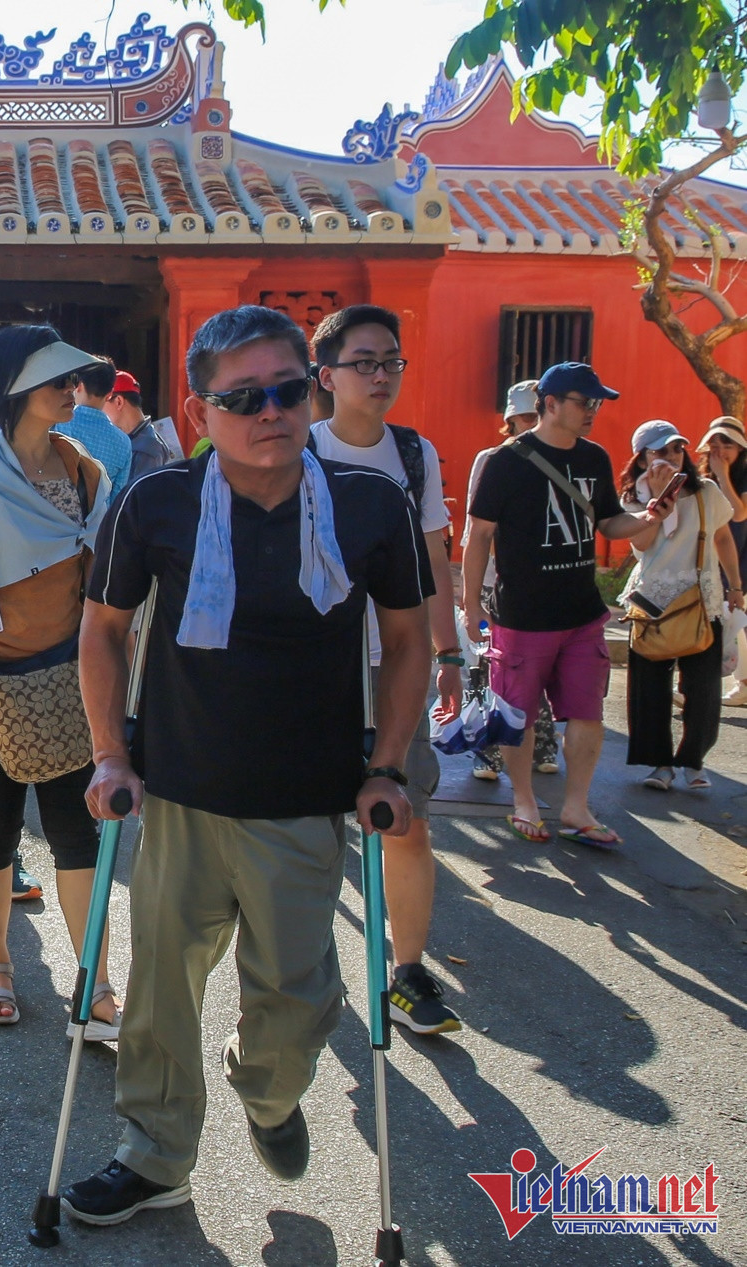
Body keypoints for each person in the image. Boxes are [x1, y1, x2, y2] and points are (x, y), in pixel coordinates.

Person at [62, 305, 432, 1228]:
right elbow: (103, 632)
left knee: (298, 998)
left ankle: (266, 1090)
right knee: (158, 992)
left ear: (311, 391)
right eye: (243, 397)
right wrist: (109, 754)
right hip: (181, 791)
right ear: (198, 412)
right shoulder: (155, 504)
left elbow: (407, 639)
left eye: (287, 390)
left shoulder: (369, 505)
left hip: (306, 799)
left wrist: (388, 764)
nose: (271, 411)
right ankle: (154, 1153)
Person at [0, 325, 121, 1037]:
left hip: (74, 677)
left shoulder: (82, 471)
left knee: (80, 832)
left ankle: (96, 982)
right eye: (57, 382)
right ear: (16, 391)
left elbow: (106, 584)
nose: (72, 391)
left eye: (73, 380)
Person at [306, 303, 463, 1036]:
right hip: (314, 668)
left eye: (391, 361)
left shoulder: (413, 454)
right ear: (326, 374)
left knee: (404, 822)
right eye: (363, 362)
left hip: (396, 663)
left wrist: (451, 649)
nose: (379, 375)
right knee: (307, 829)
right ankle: (305, 972)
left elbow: (435, 558)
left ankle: (406, 971)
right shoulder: (294, 449)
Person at [463, 362, 667, 849]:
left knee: (587, 713)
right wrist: (471, 605)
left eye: (597, 403)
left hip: (581, 612)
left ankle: (576, 808)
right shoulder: (506, 461)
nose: (593, 411)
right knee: (519, 715)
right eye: (584, 402)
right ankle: (525, 802)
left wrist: (649, 516)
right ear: (549, 404)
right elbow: (479, 537)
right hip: (522, 614)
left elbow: (610, 525)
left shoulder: (594, 458)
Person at [617, 419, 743, 789]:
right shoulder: (632, 498)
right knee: (650, 687)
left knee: (702, 689)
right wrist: (658, 503)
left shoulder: (705, 491)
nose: (672, 457)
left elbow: (723, 538)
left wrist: (734, 584)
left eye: (676, 449)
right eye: (660, 452)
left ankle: (694, 761)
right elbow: (641, 545)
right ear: (642, 460)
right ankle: (660, 765)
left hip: (703, 599)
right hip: (653, 599)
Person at [464, 381, 560, 779]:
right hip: (494, 581)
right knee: (491, 667)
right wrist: (471, 596)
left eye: (537, 416)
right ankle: (488, 751)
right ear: (511, 421)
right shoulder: (492, 459)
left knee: (541, 667)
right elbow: (476, 529)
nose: (532, 425)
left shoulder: (563, 459)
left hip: (544, 582)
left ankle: (542, 746)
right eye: (525, 418)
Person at [698, 416, 747, 704]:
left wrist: (723, 474)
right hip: (714, 559)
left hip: (742, 556)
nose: (720, 450)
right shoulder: (704, 475)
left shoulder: (740, 473)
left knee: (740, 623)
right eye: (714, 443)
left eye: (726, 443)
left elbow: (738, 513)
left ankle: (743, 685)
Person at [57, 356, 132, 496]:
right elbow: (118, 496)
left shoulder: (58, 423)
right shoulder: (123, 442)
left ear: (78, 386)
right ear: (110, 394)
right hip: (100, 516)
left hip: (57, 511)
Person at [108, 370, 179, 482]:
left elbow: (138, 497)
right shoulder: (136, 439)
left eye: (101, 403)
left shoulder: (147, 451)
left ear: (118, 402)